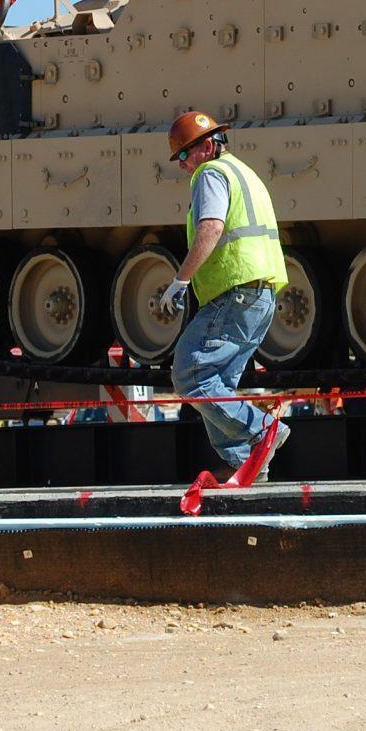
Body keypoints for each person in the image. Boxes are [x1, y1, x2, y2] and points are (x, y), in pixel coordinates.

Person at [160, 111, 292, 481]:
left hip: (236, 292)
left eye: (184, 156)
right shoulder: (244, 172)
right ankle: (245, 464)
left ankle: (262, 430)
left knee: (189, 374)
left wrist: (181, 280)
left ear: (206, 146)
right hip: (261, 295)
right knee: (218, 382)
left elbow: (212, 227)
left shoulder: (211, 174)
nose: (183, 166)